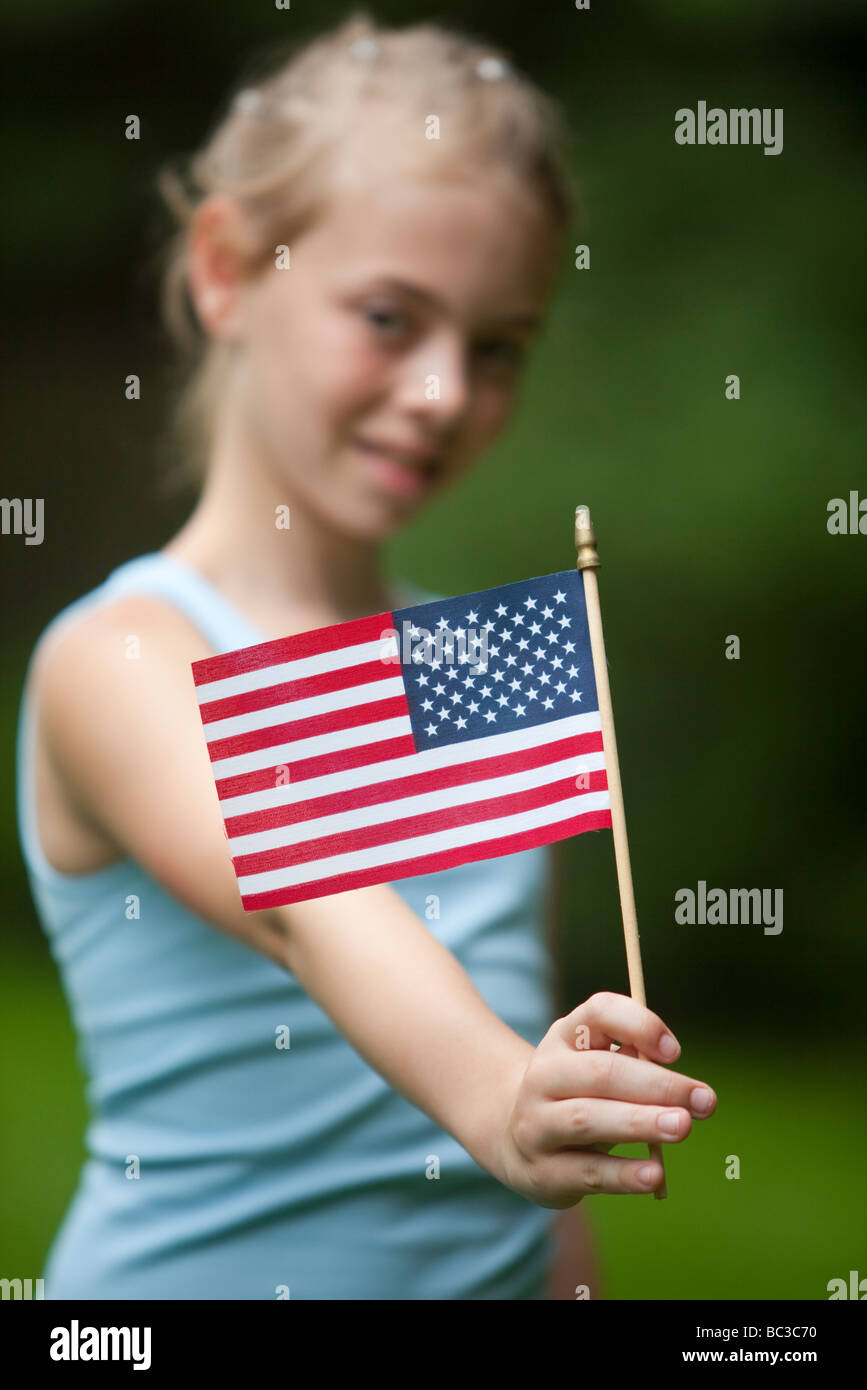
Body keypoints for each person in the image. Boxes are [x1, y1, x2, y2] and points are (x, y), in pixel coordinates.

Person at [15, 11, 716, 1300]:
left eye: (498, 345)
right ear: (227, 270)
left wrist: (546, 1121)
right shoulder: (120, 657)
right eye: (392, 316)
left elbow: (522, 1060)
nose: (447, 390)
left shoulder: (484, 672)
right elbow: (310, 897)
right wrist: (502, 1093)